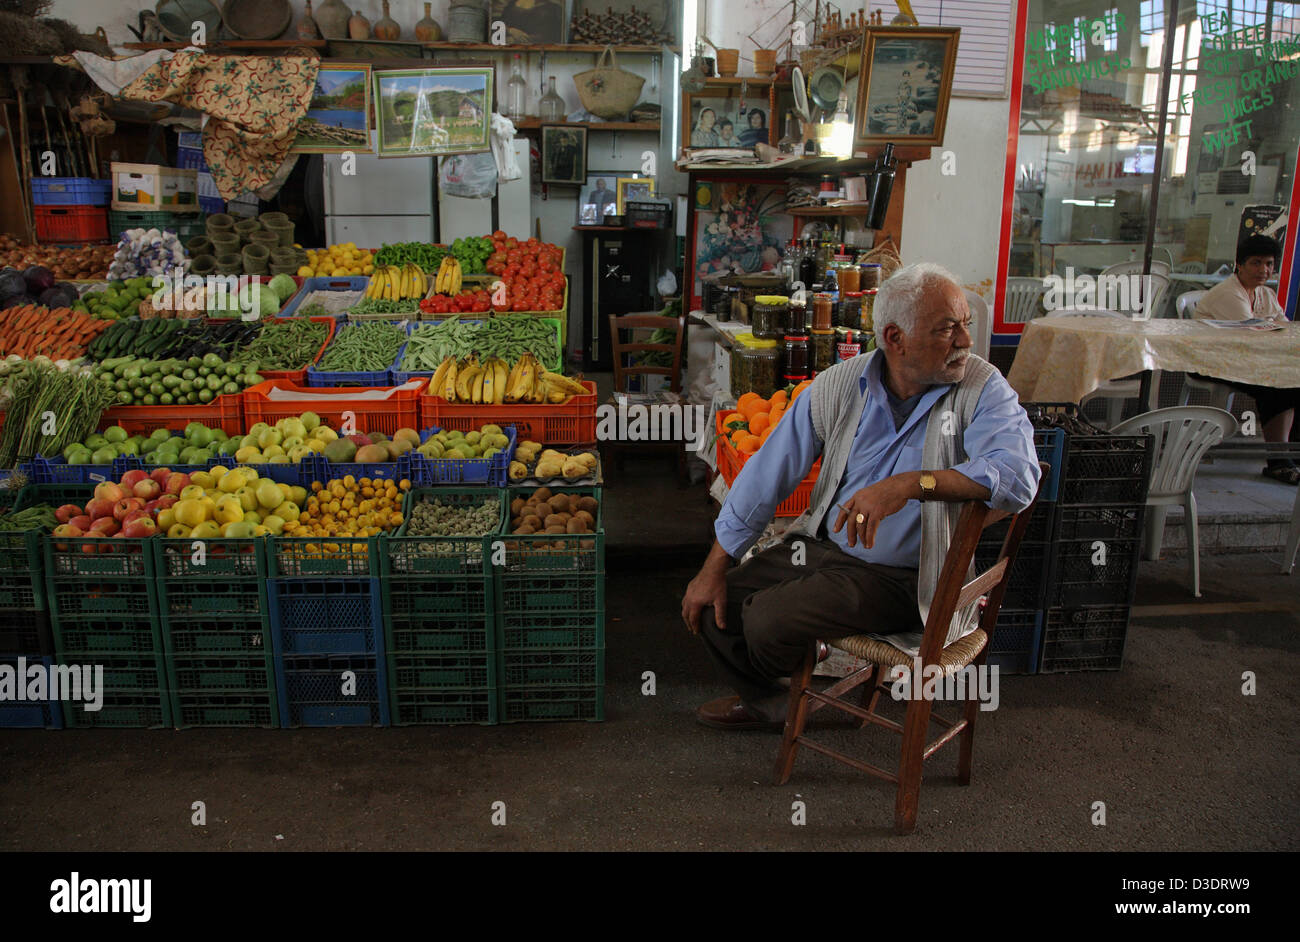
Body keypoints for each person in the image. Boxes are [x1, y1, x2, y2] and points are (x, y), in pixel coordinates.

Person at [683, 263, 1042, 730]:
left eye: (965, 326)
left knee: (768, 621)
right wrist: (714, 566)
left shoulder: (982, 389)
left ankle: (801, 687)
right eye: (947, 329)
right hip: (824, 549)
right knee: (716, 605)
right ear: (895, 338)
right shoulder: (840, 384)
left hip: (907, 577)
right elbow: (765, 476)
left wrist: (912, 484)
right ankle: (772, 703)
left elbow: (1019, 477)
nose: (965, 342)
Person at [1193, 233, 1300, 483]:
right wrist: (1275, 330)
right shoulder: (1230, 294)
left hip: (1247, 361)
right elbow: (1255, 336)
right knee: (1279, 388)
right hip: (1211, 362)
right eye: (1256, 262)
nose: (1264, 270)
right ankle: (1278, 461)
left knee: (1292, 383)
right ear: (1239, 265)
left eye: (1269, 264)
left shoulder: (1264, 294)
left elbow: (1286, 330)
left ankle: (1287, 455)